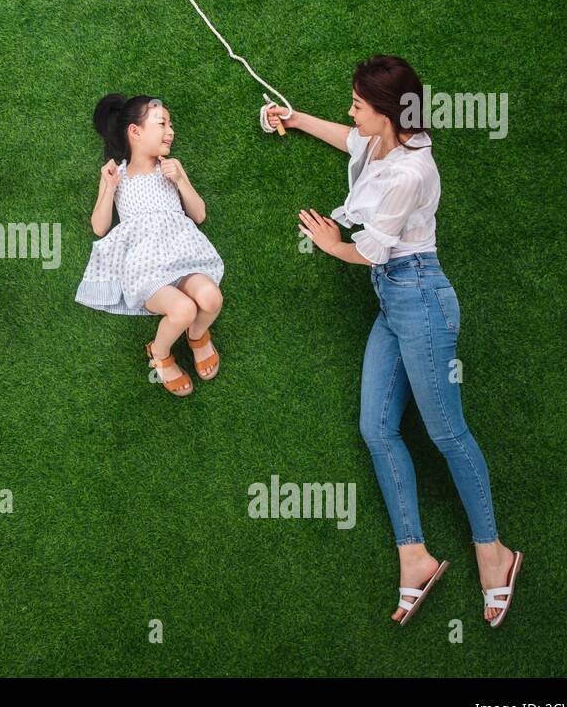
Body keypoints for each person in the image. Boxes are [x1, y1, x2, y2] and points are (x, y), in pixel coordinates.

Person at [266, 55, 523, 627]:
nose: (350, 112)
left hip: (421, 299)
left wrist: (331, 244)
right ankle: (415, 556)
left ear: (386, 113)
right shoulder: (382, 139)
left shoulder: (409, 171)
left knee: (446, 431)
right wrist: (298, 118)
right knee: (375, 428)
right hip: (394, 299)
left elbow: (374, 250)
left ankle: (494, 554)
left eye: (358, 104)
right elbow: (354, 143)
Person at [76, 94, 224, 397]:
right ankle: (159, 352)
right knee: (182, 309)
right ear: (135, 132)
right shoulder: (117, 174)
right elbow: (99, 227)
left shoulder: (170, 168)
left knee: (210, 298)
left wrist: (181, 180)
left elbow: (199, 214)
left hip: (183, 255)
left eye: (170, 125)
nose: (170, 131)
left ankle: (197, 336)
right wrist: (108, 188)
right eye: (162, 124)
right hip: (147, 268)